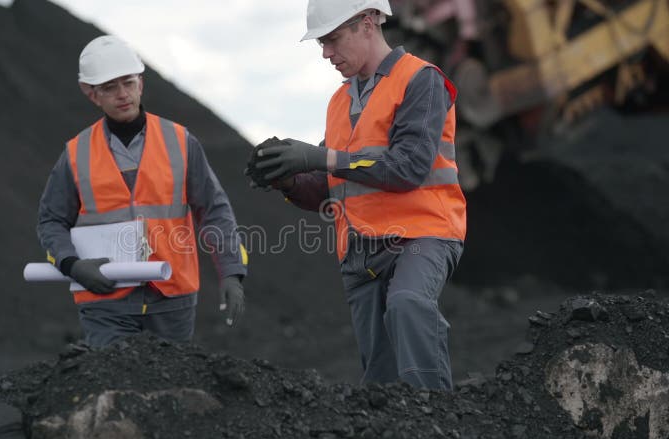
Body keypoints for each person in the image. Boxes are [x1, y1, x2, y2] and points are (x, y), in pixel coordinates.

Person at [247, 0, 466, 390]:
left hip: (423, 234)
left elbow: (407, 168)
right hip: (361, 252)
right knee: (380, 379)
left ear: (367, 23)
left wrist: (320, 157)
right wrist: (286, 179)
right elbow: (331, 186)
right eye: (321, 44)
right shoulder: (340, 101)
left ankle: (438, 419)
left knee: (409, 305)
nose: (326, 53)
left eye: (332, 40)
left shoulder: (421, 80)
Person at [38, 35, 247, 347]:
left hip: (172, 298)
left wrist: (232, 273)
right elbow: (50, 221)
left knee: (172, 388)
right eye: (110, 87)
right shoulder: (75, 154)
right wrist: (72, 264)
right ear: (93, 95)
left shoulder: (180, 141)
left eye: (129, 82)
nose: (122, 94)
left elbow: (214, 211)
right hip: (105, 302)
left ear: (141, 84)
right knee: (113, 386)